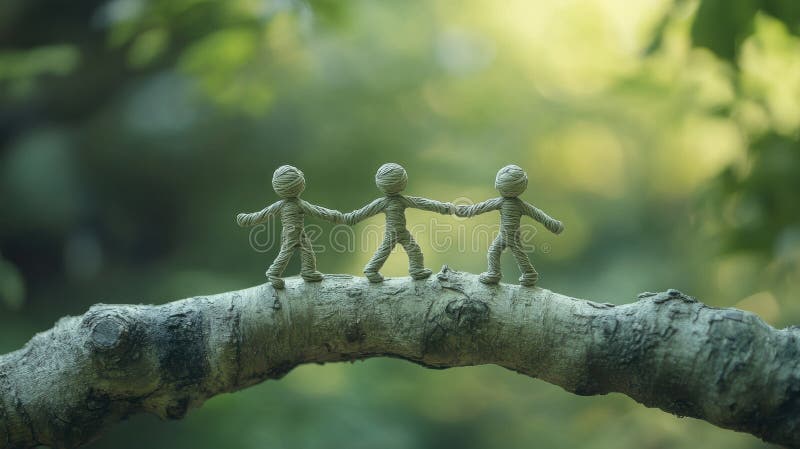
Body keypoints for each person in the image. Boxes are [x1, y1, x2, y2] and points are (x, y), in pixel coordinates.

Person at [236, 165, 344, 289]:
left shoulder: (284, 205)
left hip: (297, 231)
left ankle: (308, 271)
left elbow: (262, 215)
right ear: (297, 185)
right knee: (287, 252)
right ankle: (273, 272)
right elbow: (318, 211)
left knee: (306, 248)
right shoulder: (298, 204)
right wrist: (334, 216)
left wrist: (246, 219)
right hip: (291, 233)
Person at [456, 165, 563, 287]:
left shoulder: (504, 203)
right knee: (508, 252)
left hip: (509, 235)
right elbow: (538, 215)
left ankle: (504, 273)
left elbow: (479, 207)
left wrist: (462, 211)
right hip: (507, 235)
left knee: (501, 252)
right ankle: (521, 274)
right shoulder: (518, 205)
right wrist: (553, 225)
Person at [345, 163, 454, 283]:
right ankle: (372, 269)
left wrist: (446, 208)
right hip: (394, 232)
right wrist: (446, 208)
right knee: (388, 250)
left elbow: (426, 204)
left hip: (401, 231)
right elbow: (425, 204)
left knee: (412, 249)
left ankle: (416, 269)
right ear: (402, 183)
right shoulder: (389, 202)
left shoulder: (393, 201)